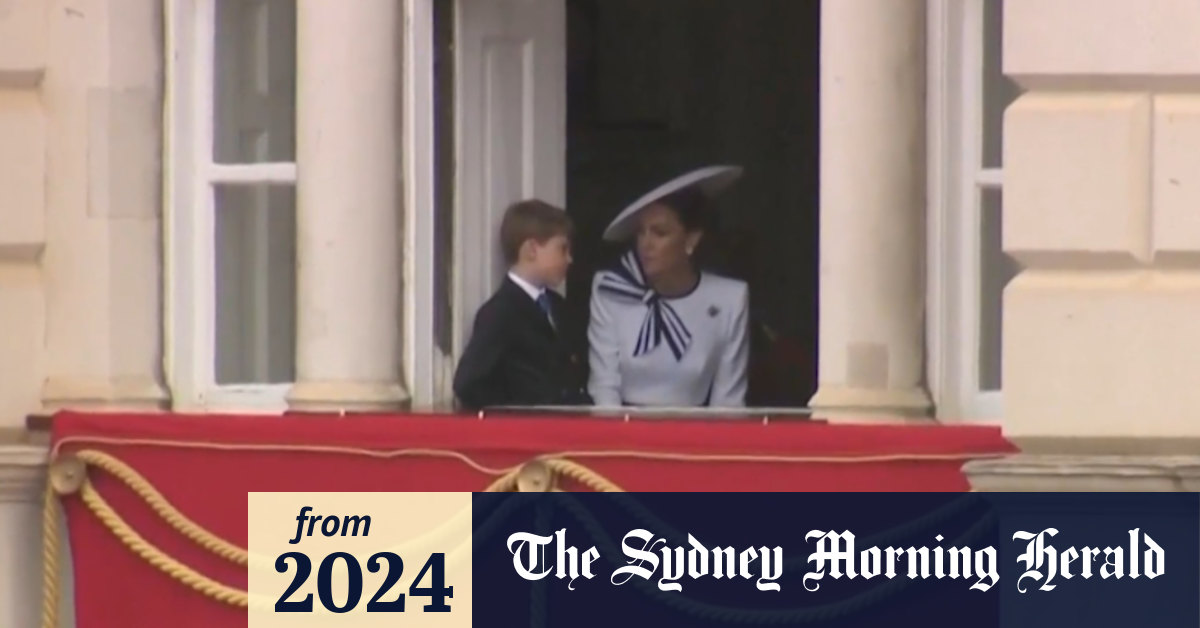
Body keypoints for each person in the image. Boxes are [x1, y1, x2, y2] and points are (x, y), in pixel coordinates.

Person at [587, 165, 750, 408]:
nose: (646, 244)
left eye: (660, 233)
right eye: (641, 232)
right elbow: (604, 388)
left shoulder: (730, 298)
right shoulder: (611, 290)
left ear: (691, 239)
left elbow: (729, 401)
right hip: (624, 435)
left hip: (694, 437)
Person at [453, 199, 591, 410]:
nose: (569, 259)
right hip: (528, 433)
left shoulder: (558, 306)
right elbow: (468, 384)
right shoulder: (500, 312)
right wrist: (516, 411)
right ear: (531, 250)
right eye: (562, 249)